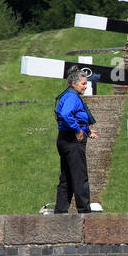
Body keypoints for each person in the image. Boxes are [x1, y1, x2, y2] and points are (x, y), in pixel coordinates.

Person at [53, 68, 98, 213]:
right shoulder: (72, 98)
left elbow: (72, 116)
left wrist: (87, 131)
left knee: (67, 178)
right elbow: (67, 114)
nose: (85, 86)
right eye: (83, 84)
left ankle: (60, 211)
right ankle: (84, 212)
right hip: (72, 140)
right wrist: (78, 130)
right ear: (74, 84)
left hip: (64, 139)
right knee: (79, 177)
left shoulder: (68, 95)